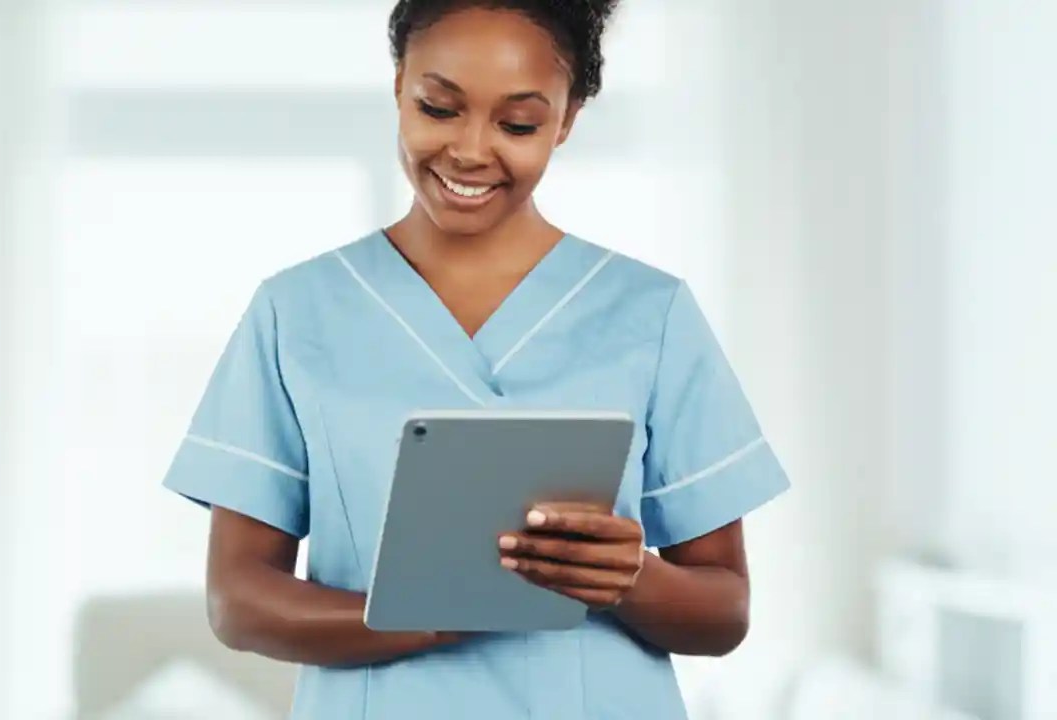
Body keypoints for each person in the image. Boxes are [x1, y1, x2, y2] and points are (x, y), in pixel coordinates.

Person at [161, 1, 790, 717]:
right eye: (438, 108)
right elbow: (237, 600)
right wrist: (431, 616)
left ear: (567, 118)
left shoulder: (652, 314)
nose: (469, 151)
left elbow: (725, 612)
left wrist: (628, 579)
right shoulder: (296, 312)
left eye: (517, 124)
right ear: (399, 85)